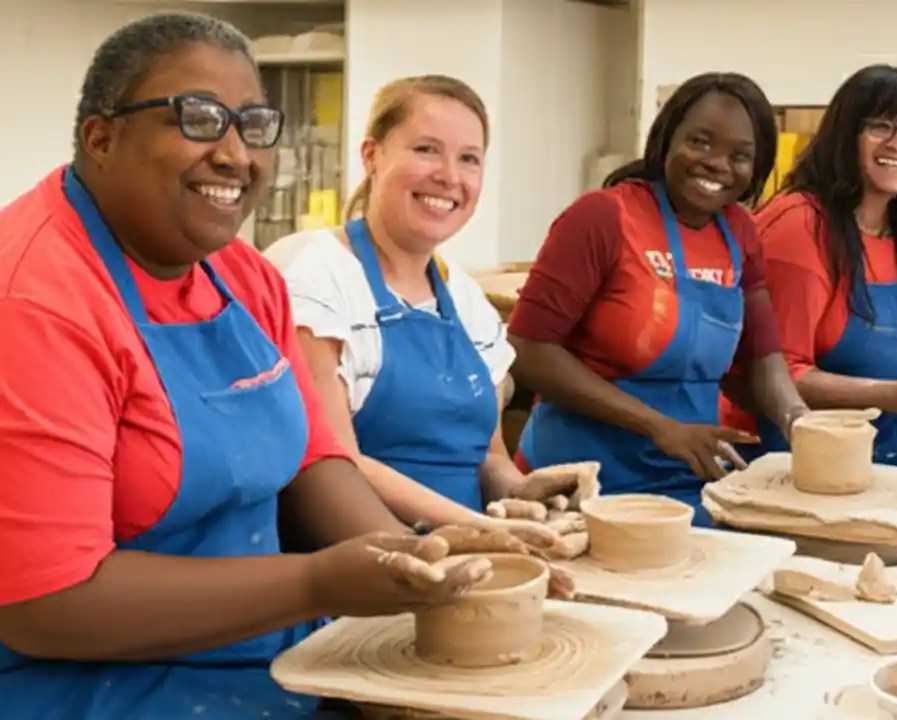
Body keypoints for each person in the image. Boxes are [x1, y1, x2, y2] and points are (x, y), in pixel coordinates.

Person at [0, 13, 539, 718]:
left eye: (254, 126)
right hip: (89, 683)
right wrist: (316, 583)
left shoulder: (241, 274)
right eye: (197, 119)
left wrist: (409, 558)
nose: (235, 154)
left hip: (264, 652)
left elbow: (312, 456)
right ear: (101, 138)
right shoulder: (37, 299)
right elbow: (44, 604)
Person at [266, 75, 567, 549]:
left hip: (470, 559)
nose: (449, 175)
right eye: (426, 149)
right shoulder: (315, 275)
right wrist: (483, 532)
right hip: (356, 565)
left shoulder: (466, 300)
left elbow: (487, 459)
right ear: (372, 156)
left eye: (468, 158)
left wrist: (522, 494)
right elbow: (334, 459)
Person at [507, 72, 810, 526]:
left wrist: (802, 423)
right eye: (701, 142)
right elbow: (528, 350)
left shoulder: (739, 233)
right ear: (667, 137)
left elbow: (765, 357)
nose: (717, 164)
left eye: (740, 155)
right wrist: (659, 427)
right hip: (578, 481)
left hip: (686, 475)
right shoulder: (603, 216)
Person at [721, 65, 897, 468]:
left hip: (883, 448)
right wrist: (896, 395)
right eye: (882, 126)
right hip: (784, 453)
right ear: (845, 133)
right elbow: (777, 376)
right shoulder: (799, 225)